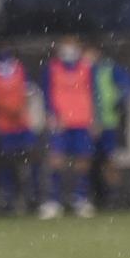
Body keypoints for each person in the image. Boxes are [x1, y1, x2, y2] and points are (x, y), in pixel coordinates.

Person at [39, 34, 96, 219]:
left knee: (83, 161)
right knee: (56, 160)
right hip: (60, 121)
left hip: (82, 120)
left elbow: (94, 93)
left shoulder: (87, 68)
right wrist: (50, 114)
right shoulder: (52, 68)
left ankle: (80, 198)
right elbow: (47, 94)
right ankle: (54, 200)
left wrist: (95, 118)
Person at [0, 45, 37, 213]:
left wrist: (19, 110)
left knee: (25, 161)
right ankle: (6, 198)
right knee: (5, 163)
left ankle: (25, 198)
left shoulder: (19, 68)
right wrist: (9, 110)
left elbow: (27, 93)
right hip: (3, 125)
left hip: (20, 124)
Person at [87, 45, 130, 209]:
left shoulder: (108, 68)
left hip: (108, 122)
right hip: (85, 123)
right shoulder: (81, 70)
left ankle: (113, 197)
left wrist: (119, 101)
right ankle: (94, 196)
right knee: (89, 160)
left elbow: (127, 85)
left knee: (110, 159)